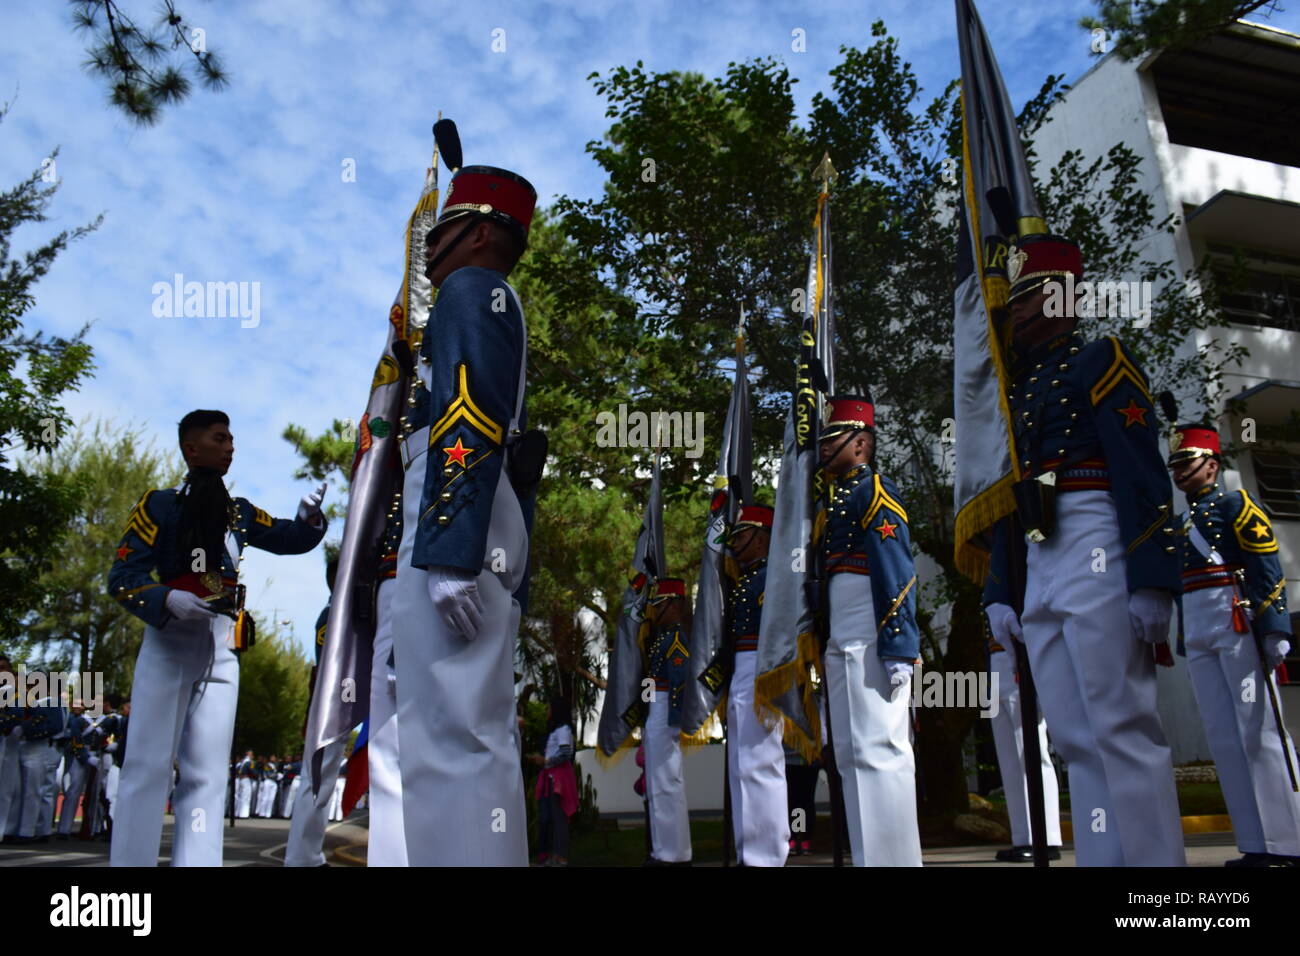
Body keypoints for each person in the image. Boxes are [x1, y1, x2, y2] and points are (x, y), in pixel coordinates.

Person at [982, 234, 1185, 867]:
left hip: (1095, 530)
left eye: (1026, 293)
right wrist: (1000, 590)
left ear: (1063, 294)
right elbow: (1010, 495)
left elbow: (1141, 471)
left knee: (1120, 725)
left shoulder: (1101, 358)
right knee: (1072, 734)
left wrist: (1152, 573)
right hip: (1041, 552)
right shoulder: (1015, 390)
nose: (1012, 308)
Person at [391, 160, 539, 866]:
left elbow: (469, 412)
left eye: (443, 227)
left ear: (479, 234)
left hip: (457, 510)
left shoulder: (471, 289)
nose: (427, 243)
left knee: (448, 737)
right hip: (479, 506)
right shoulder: (490, 294)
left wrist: (450, 546)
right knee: (469, 733)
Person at [107, 408, 326, 866]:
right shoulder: (158, 504)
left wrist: (310, 520)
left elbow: (289, 538)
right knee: (146, 768)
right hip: (170, 638)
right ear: (191, 448)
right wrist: (165, 599)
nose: (230, 446)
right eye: (220, 438)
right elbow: (123, 577)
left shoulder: (238, 512)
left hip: (223, 643)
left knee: (207, 774)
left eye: (231, 439)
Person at [1167, 419, 1299, 866]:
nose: (1178, 472)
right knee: (1223, 737)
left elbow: (1265, 564)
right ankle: (1255, 842)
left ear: (1211, 462)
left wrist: (1275, 627)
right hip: (1199, 626)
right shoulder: (1181, 521)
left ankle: (1290, 841)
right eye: (1173, 465)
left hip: (1236, 618)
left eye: (1186, 461)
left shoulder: (1235, 503)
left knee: (1259, 731)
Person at [818, 395, 923, 867]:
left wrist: (899, 642)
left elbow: (893, 566)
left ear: (860, 443)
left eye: (831, 438)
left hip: (870, 623)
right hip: (843, 630)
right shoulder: (835, 500)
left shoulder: (874, 488)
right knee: (850, 754)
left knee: (881, 747)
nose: (822, 448)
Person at [722, 504, 789, 866]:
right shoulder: (746, 579)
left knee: (760, 762)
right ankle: (749, 852)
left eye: (742, 535)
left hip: (762, 666)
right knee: (741, 766)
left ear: (761, 539)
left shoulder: (771, 578)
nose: (734, 543)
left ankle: (767, 856)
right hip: (741, 666)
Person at [286, 559, 345, 867]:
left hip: (339, 694)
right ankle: (303, 857)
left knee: (321, 777)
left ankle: (306, 856)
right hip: (331, 696)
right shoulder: (333, 613)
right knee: (318, 777)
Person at [985, 624, 1063, 861]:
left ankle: (1046, 837)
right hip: (995, 661)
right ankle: (1023, 838)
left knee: (1030, 753)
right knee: (1009, 760)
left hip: (1019, 658)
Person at [642, 578, 693, 865]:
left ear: (675, 605)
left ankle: (675, 852)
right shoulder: (662, 638)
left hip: (664, 709)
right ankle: (663, 849)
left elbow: (680, 681)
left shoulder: (676, 639)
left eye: (660, 604)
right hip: (655, 707)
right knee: (656, 783)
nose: (655, 610)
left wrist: (675, 721)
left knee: (667, 780)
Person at [531, 694, 577, 866]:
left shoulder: (563, 731)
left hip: (558, 778)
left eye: (549, 708)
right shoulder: (559, 731)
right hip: (552, 777)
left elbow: (565, 753)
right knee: (555, 818)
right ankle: (556, 855)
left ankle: (561, 857)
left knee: (559, 818)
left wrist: (546, 761)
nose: (546, 711)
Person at [234, 750, 256, 819]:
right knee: (246, 797)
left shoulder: (242, 762)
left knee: (240, 796)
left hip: (240, 779)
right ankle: (244, 814)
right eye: (251, 754)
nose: (252, 756)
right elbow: (253, 771)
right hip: (246, 779)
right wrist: (256, 775)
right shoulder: (249, 762)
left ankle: (238, 813)